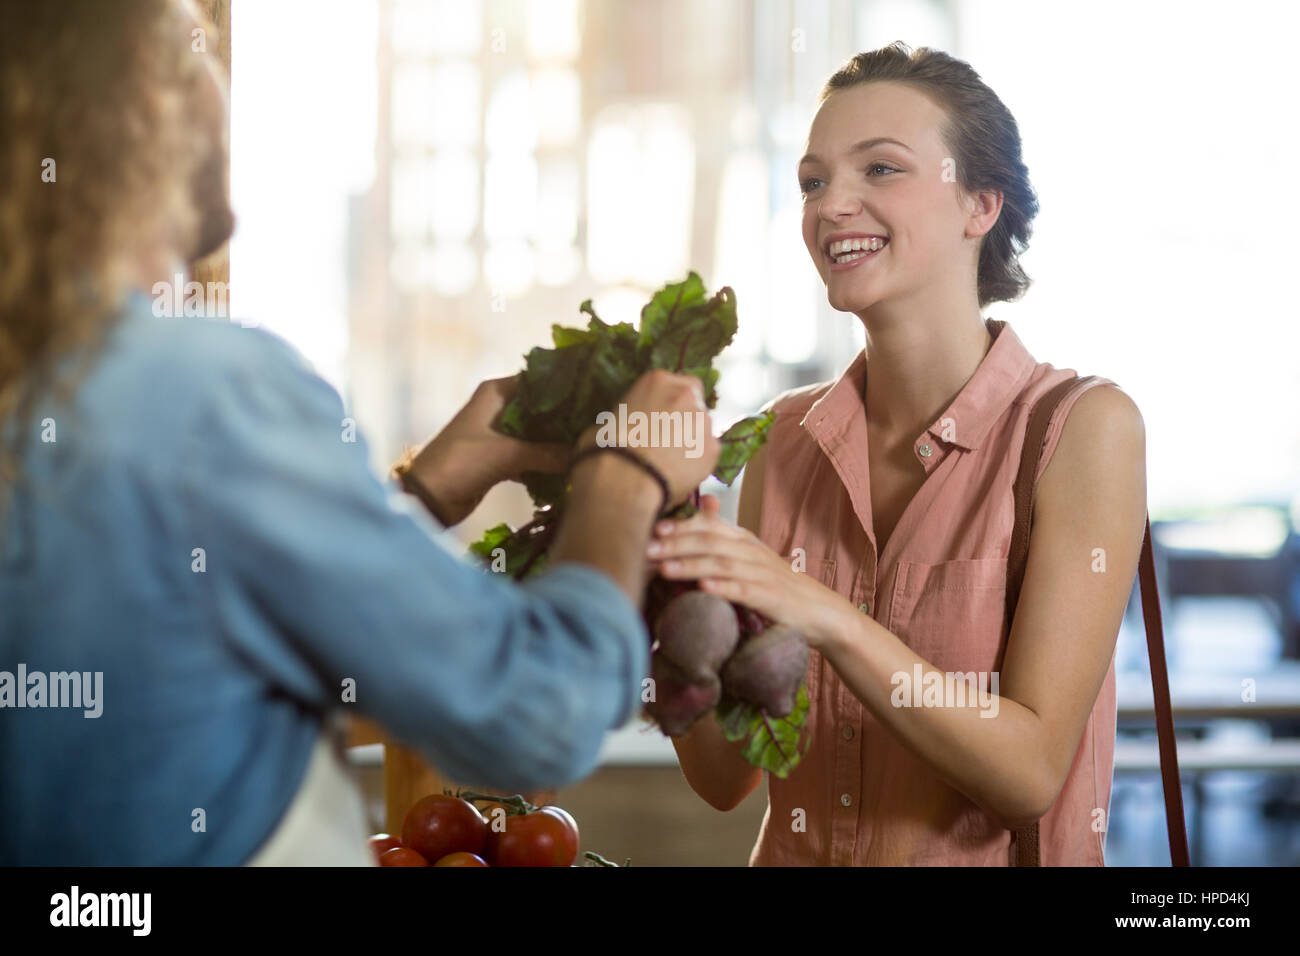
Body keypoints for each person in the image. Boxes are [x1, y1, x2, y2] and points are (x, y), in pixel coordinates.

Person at [0, 0, 717, 865]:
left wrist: (421, 494)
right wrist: (624, 474)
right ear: (146, 108)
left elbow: (197, 643)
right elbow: (535, 715)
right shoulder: (206, 391)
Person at [650, 43, 1147, 866]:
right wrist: (659, 585)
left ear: (980, 203)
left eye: (880, 170)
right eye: (813, 181)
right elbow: (723, 775)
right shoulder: (782, 442)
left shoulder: (1082, 428)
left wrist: (828, 618)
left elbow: (1030, 774)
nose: (831, 204)